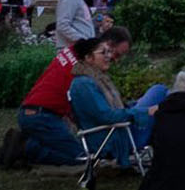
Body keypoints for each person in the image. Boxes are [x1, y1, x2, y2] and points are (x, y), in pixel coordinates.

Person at [68, 35, 164, 168]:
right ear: (88, 58)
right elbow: (107, 116)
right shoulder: (83, 84)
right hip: (114, 139)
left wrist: (134, 105)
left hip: (120, 131)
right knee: (160, 91)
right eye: (103, 52)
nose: (109, 56)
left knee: (161, 96)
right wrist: (144, 111)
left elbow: (113, 110)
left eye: (109, 51)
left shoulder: (95, 79)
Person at [1, 36, 89, 168]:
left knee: (71, 148)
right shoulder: (78, 72)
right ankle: (26, 148)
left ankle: (29, 143)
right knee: (81, 157)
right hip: (42, 117)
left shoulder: (70, 52)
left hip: (33, 112)